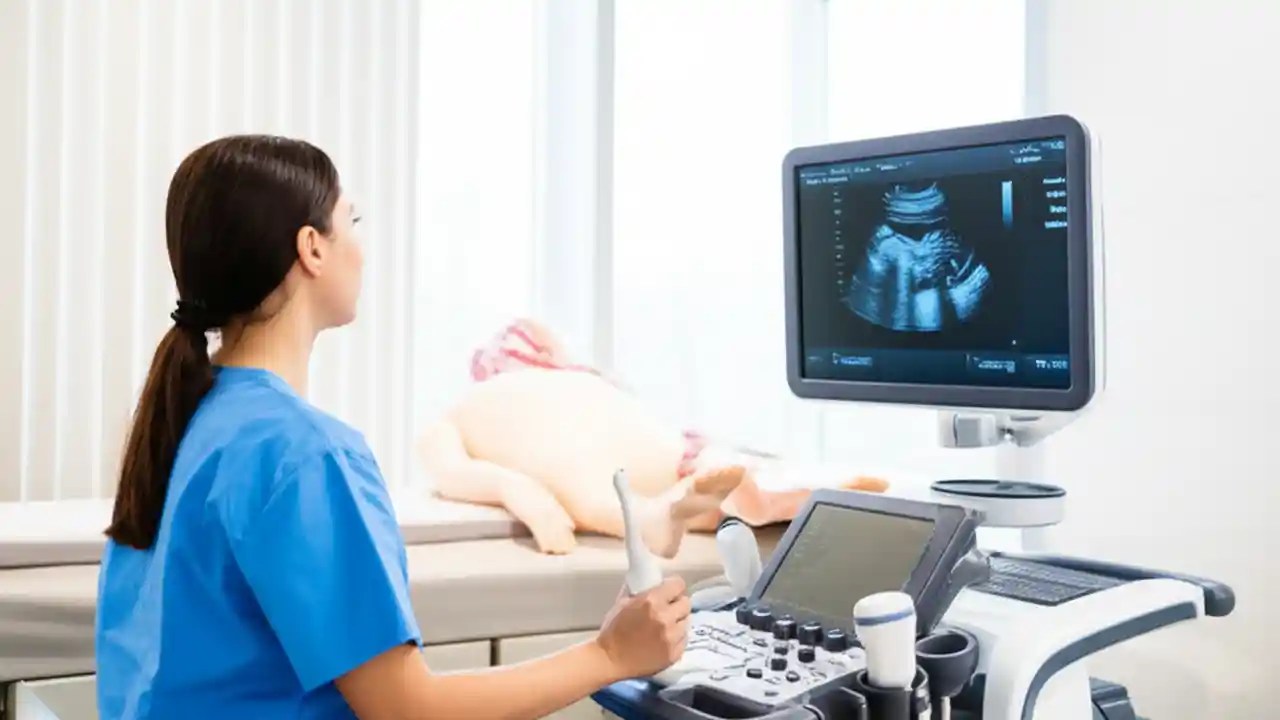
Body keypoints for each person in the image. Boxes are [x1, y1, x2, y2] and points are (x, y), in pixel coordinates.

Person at [95, 135, 691, 719]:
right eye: (351, 220)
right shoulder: (303, 455)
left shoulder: (185, 419)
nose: (361, 246)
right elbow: (407, 709)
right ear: (312, 248)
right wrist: (609, 656)